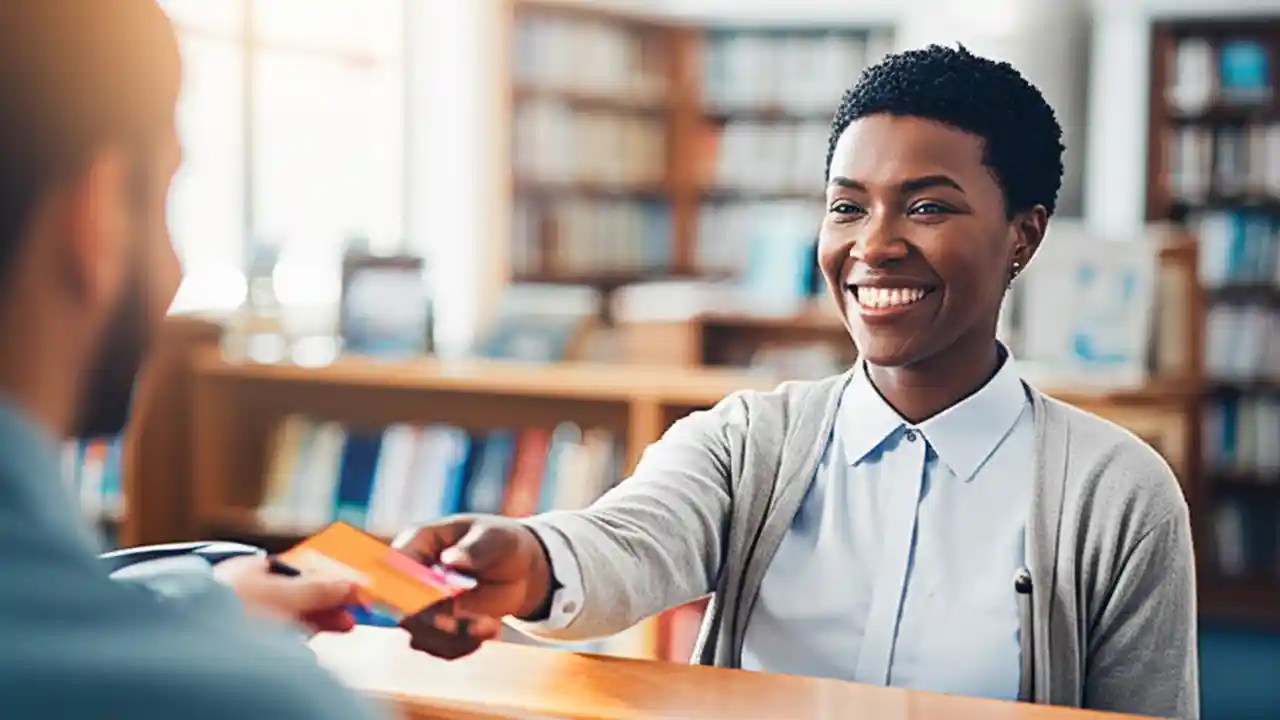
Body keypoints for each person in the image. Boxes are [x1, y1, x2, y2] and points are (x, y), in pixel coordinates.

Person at [397, 45, 1199, 719]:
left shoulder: (1117, 493)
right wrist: (530, 558)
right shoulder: (747, 441)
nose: (874, 245)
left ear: (1023, 236)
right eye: (848, 208)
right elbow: (628, 539)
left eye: (926, 207)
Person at [0, 3, 384, 717]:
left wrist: (188, 598)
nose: (176, 269)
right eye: (169, 192)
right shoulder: (254, 702)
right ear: (99, 209)